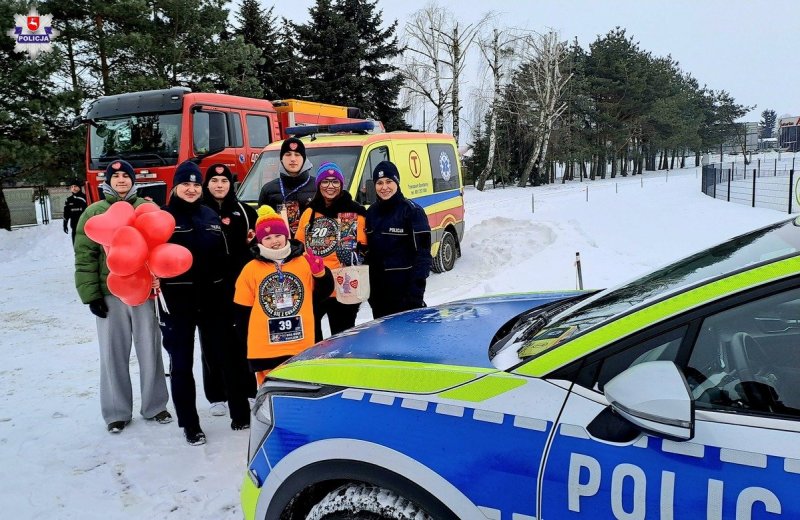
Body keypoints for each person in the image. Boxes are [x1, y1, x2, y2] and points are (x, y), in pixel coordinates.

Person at [74, 160, 172, 434]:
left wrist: (159, 279)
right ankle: (116, 412)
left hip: (143, 292)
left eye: (125, 176)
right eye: (115, 176)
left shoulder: (146, 209)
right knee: (112, 353)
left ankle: (155, 405)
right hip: (110, 294)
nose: (120, 180)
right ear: (107, 181)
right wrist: (91, 295)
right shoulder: (94, 212)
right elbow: (85, 257)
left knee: (150, 349)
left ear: (133, 180)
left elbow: (161, 247)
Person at [159, 161, 251, 446]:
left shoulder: (210, 214)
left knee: (228, 355)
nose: (191, 189)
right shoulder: (162, 217)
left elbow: (225, 257)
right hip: (177, 301)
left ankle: (240, 412)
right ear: (175, 186)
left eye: (196, 185)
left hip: (213, 298)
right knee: (181, 363)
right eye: (186, 184)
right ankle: (190, 424)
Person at [234, 206, 334, 386]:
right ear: (260, 241)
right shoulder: (250, 269)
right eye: (267, 238)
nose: (274, 241)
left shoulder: (303, 262)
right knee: (272, 392)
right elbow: (242, 310)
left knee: (301, 389)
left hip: (300, 343)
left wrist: (321, 274)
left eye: (278, 235)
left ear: (286, 235)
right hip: (265, 347)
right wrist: (245, 341)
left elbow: (322, 294)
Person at [200, 163, 259, 414]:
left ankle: (248, 389)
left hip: (240, 287)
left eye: (224, 181)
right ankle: (217, 394)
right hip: (208, 288)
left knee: (243, 339)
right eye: (214, 181)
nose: (219, 185)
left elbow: (259, 245)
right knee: (212, 341)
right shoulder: (199, 211)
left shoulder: (245, 211)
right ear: (207, 184)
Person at [295, 162, 367, 339]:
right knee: (312, 338)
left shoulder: (353, 211)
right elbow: (298, 244)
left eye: (335, 181)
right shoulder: (310, 212)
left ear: (341, 185)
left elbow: (364, 246)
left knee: (343, 339)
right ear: (318, 184)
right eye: (325, 181)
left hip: (343, 285)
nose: (330, 186)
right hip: (314, 285)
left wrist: (356, 252)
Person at [365, 160, 433, 319]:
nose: (384, 187)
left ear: (397, 182)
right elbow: (369, 254)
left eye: (389, 181)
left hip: (406, 297)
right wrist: (371, 296)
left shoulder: (412, 211)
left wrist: (415, 294)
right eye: (379, 183)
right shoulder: (371, 213)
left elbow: (423, 256)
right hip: (379, 298)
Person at [257, 137, 316, 236]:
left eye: (297, 154)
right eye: (288, 154)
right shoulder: (268, 190)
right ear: (281, 159)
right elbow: (262, 226)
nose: (293, 159)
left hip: (311, 243)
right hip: (280, 244)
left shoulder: (319, 187)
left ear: (304, 159)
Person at [63, 179, 87, 243]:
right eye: (72, 187)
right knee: (76, 245)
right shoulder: (68, 200)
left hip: (85, 227)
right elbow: (66, 213)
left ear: (79, 187)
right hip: (74, 227)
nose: (73, 188)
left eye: (75, 186)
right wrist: (65, 225)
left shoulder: (86, 198)